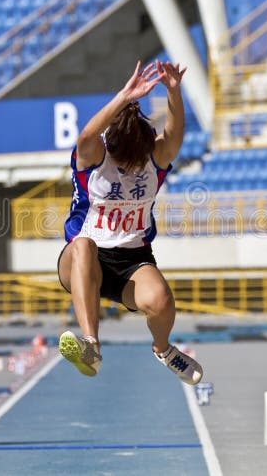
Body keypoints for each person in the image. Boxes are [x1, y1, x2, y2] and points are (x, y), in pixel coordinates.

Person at [57, 60, 203, 385]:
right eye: (125, 159)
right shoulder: (94, 159)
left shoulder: (154, 159)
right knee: (83, 246)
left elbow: (175, 134)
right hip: (85, 260)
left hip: (132, 260)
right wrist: (125, 96)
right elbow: (86, 135)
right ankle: (91, 346)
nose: (131, 166)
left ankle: (164, 350)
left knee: (162, 301)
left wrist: (174, 92)